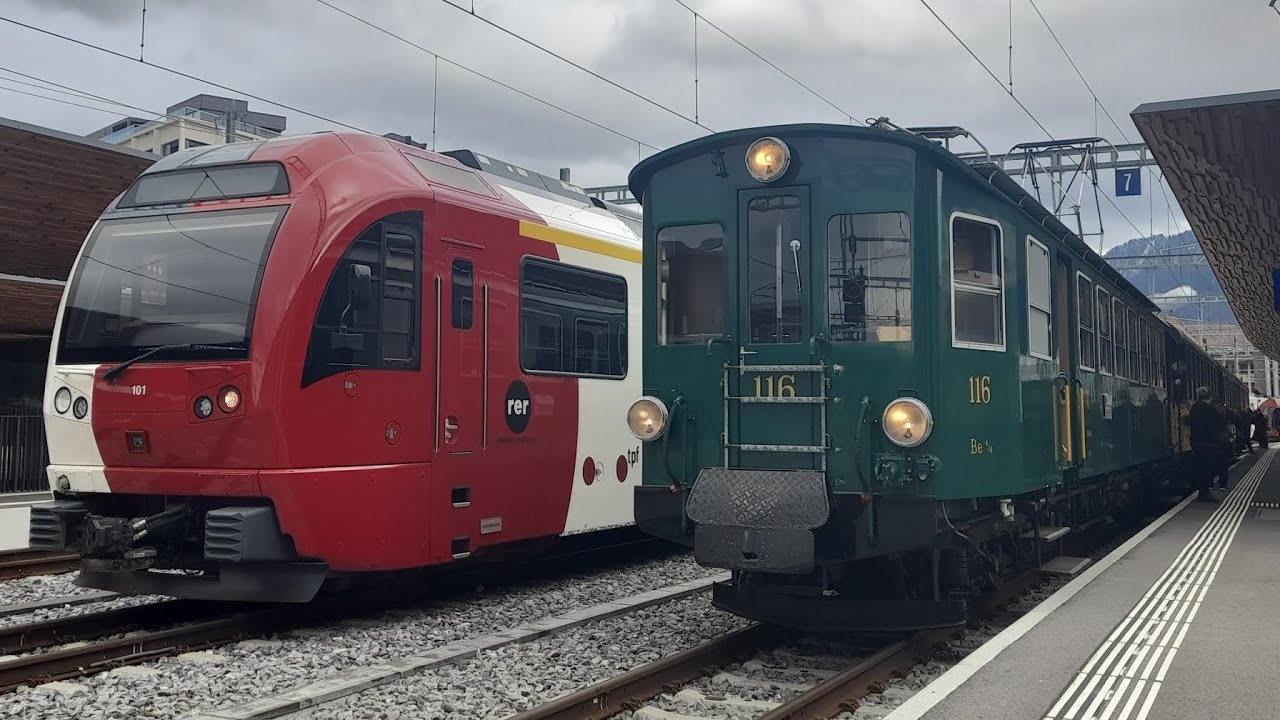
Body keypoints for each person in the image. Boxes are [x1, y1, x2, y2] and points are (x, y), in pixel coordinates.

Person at [1188, 388, 1227, 501]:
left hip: (1196, 442)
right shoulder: (1210, 409)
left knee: (1200, 468)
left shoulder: (1194, 408)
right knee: (1207, 469)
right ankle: (1205, 493)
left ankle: (1202, 491)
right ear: (1209, 397)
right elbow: (1220, 423)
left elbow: (1189, 421)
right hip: (1208, 443)